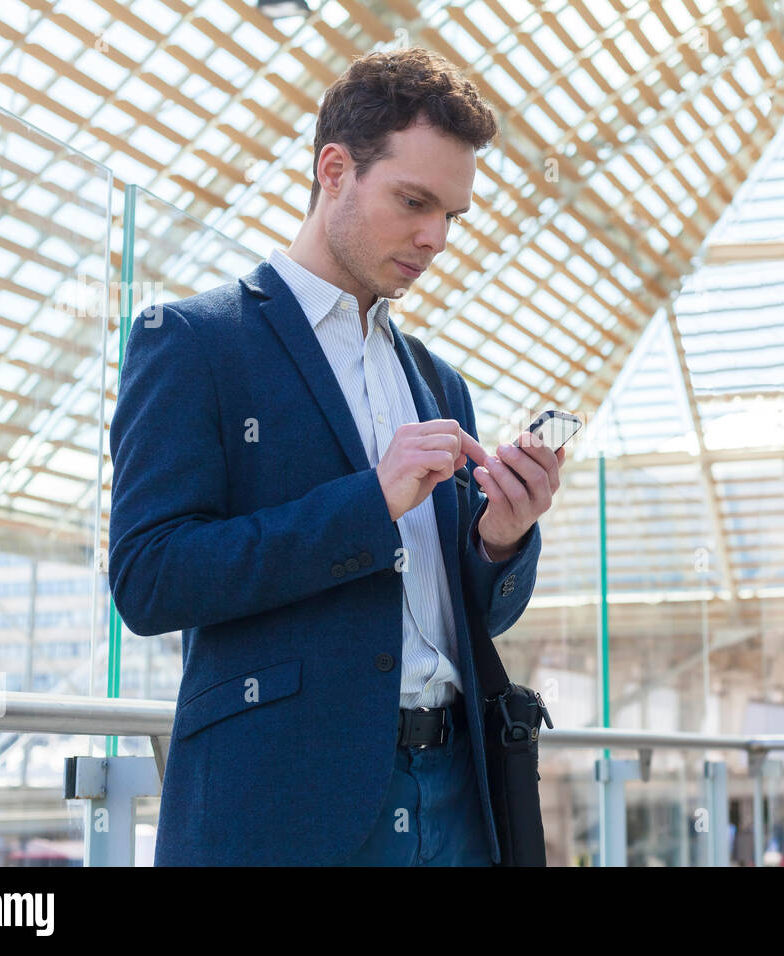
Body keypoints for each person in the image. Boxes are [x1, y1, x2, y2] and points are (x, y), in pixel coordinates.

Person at [107, 47, 564, 865]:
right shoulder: (193, 345)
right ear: (333, 170)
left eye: (452, 216)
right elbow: (149, 578)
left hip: (459, 795)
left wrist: (502, 538)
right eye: (414, 201)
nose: (436, 239)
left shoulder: (438, 382)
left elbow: (464, 618)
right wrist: (369, 502)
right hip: (291, 805)